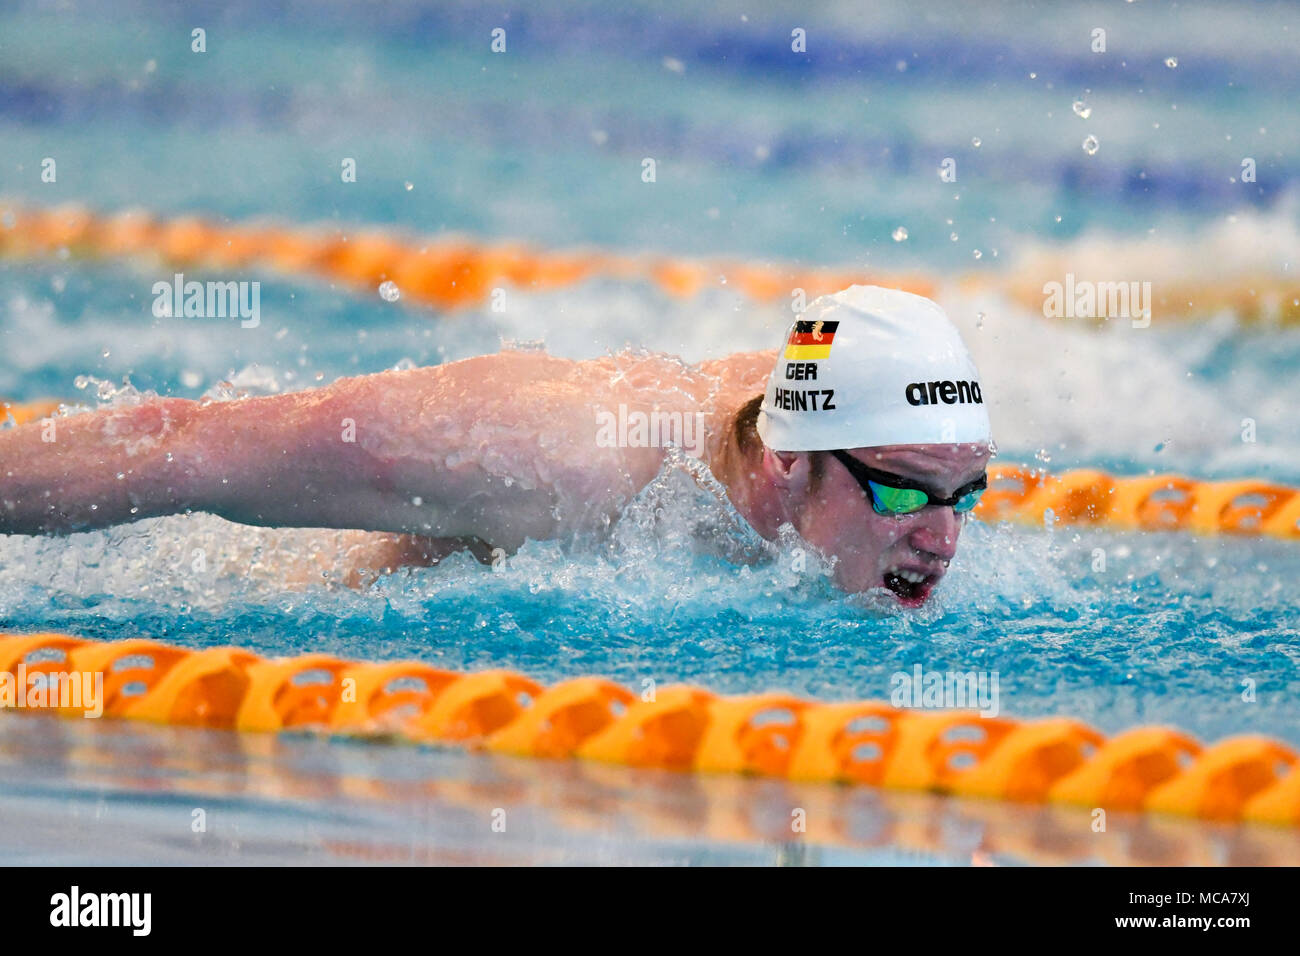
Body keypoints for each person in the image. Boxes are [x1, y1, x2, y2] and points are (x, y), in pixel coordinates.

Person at [0, 285, 991, 603]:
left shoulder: (843, 433)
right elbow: (181, 446)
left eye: (967, 495)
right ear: (788, 462)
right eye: (906, 494)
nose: (944, 540)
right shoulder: (557, 458)